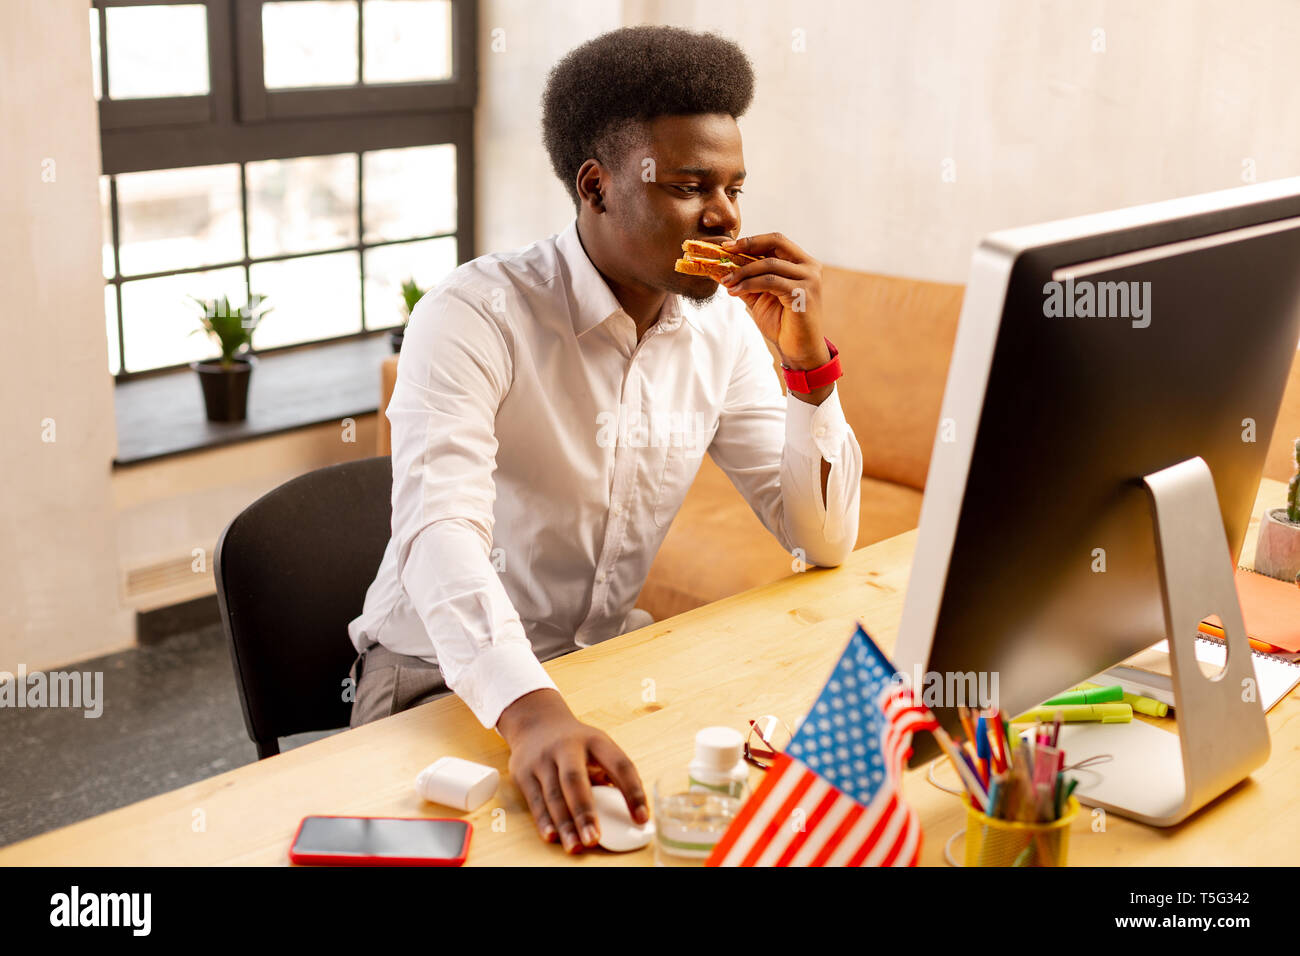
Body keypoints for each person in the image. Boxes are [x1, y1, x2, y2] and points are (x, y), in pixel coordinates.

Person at [347, 25, 863, 854]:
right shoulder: (473, 315)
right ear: (597, 187)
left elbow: (823, 539)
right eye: (691, 186)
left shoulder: (723, 330)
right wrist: (533, 711)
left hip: (602, 663)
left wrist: (807, 365)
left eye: (734, 186)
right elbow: (439, 533)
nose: (726, 215)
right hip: (434, 677)